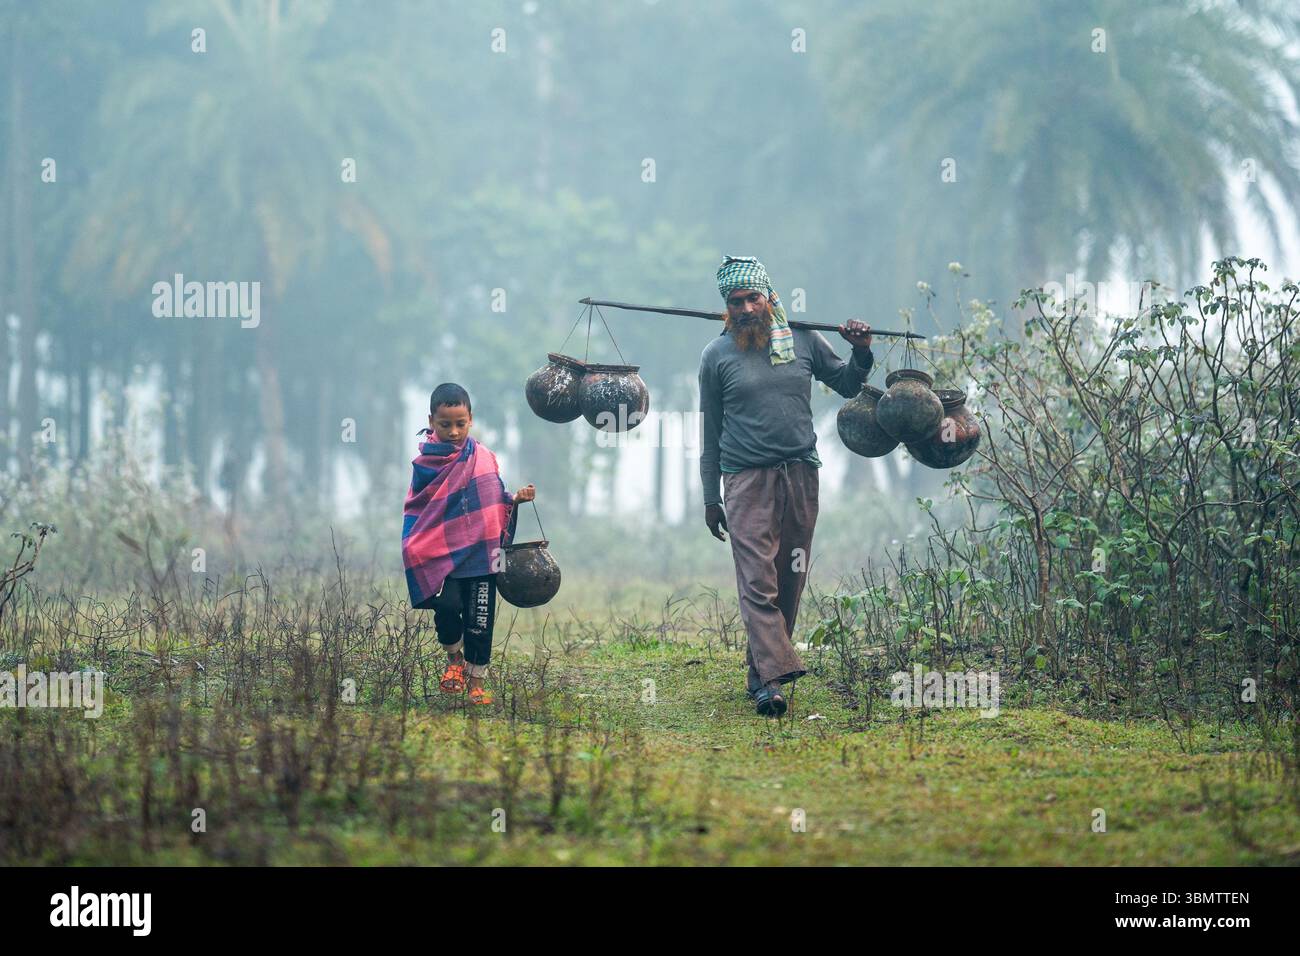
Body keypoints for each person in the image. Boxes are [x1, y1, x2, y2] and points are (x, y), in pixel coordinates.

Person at [698, 256, 874, 717]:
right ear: (726, 308)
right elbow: (709, 432)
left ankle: (760, 674)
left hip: (800, 474)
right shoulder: (716, 357)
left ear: (769, 298)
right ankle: (773, 679)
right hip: (744, 482)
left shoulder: (803, 340)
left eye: (752, 298)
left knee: (789, 577)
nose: (745, 309)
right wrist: (710, 496)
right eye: (735, 302)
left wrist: (860, 350)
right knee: (758, 581)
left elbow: (848, 384)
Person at [402, 383, 536, 705]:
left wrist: (515, 499)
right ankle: (454, 661)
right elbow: (421, 509)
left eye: (460, 423)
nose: (453, 431)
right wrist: (416, 546)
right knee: (447, 608)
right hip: (446, 556)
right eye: (445, 424)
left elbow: (493, 498)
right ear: (431, 420)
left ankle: (476, 682)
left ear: (471, 419)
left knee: (480, 618)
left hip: (483, 555)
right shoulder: (424, 465)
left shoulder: (483, 457)